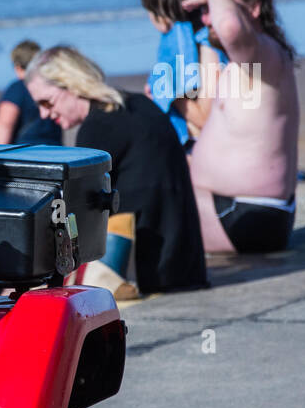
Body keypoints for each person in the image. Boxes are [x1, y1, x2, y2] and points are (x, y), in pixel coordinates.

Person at [25, 45, 207, 296]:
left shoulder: (98, 127)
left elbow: (74, 213)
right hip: (183, 264)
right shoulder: (139, 104)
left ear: (72, 85)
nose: (44, 113)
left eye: (46, 102)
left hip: (150, 274)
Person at [181, 0, 300, 254]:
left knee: (132, 204)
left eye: (217, 5)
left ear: (254, 8)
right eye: (205, 9)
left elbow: (232, 29)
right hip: (236, 209)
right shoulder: (246, 64)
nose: (208, 16)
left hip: (244, 214)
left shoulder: (264, 53)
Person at [140, 0, 221, 148]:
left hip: (202, 147)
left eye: (150, 11)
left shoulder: (207, 46)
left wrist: (167, 92)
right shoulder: (195, 42)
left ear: (163, 14)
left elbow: (205, 118)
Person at [0, 39, 62, 146]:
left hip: (25, 153)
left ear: (18, 68)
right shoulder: (52, 87)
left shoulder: (17, 89)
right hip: (55, 150)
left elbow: (5, 124)